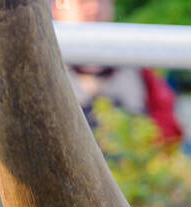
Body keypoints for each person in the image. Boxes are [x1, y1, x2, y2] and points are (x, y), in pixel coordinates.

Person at [51, 0, 183, 143]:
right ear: (58, 7)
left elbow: (170, 132)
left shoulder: (136, 66)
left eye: (102, 1)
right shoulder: (43, 70)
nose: (94, 8)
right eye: (83, 2)